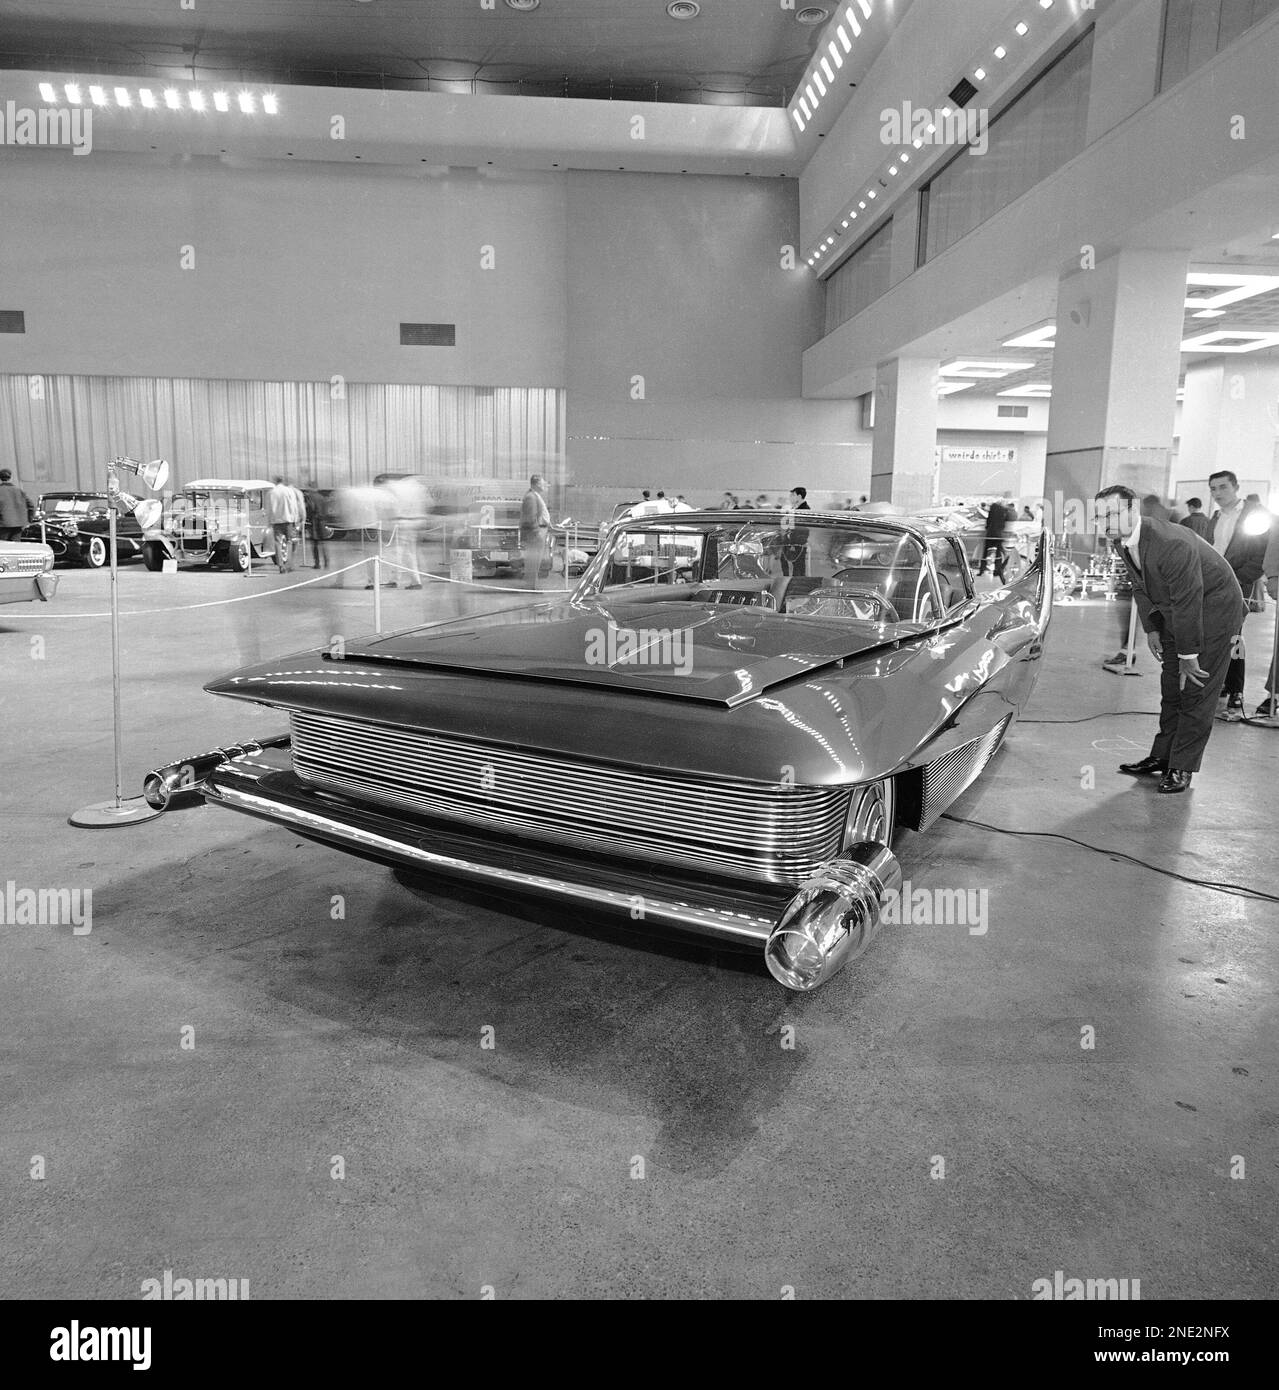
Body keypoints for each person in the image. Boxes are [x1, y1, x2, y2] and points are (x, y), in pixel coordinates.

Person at [1097, 484, 1245, 793]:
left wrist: (1188, 654)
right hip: (1177, 609)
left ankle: (1182, 766)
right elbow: (1140, 585)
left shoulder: (1170, 542)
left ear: (1132, 510)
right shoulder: (1122, 540)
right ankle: (1162, 756)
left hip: (1214, 610)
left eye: (1111, 513)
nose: (1104, 521)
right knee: (1171, 686)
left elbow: (1189, 599)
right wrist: (1152, 628)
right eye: (1099, 515)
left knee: (1195, 688)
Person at [1207, 470, 1267, 719]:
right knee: (1214, 635)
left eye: (1223, 487)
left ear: (1236, 487)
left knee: (1234, 636)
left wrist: (1240, 578)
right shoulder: (1216, 516)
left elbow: (1260, 554)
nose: (1218, 493)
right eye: (1213, 489)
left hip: (1238, 585)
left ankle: (1236, 690)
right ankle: (1219, 684)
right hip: (1213, 583)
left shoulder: (1255, 515)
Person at [520, 473, 552, 591]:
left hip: (538, 531)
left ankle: (532, 585)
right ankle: (531, 587)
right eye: (543, 483)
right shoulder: (531, 497)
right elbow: (530, 517)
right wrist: (536, 532)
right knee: (534, 560)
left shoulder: (535, 496)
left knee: (536, 561)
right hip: (535, 533)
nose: (545, 485)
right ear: (537, 483)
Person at [265, 475, 302, 573]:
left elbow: (268, 508)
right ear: (283, 481)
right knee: (289, 541)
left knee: (277, 543)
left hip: (276, 521)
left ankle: (280, 565)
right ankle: (289, 564)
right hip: (288, 520)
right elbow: (293, 506)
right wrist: (296, 519)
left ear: (275, 481)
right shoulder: (289, 491)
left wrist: (269, 521)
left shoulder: (271, 492)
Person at [980, 496, 1011, 581]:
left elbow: (989, 520)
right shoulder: (1004, 511)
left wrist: (987, 527)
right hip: (999, 534)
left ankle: (982, 569)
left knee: (986, 552)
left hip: (990, 533)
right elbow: (1004, 523)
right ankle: (997, 570)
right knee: (998, 553)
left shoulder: (993, 508)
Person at [303, 478, 329, 570]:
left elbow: (310, 509)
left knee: (315, 545)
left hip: (314, 523)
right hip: (322, 522)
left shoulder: (310, 497)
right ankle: (326, 562)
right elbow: (325, 510)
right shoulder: (322, 497)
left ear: (310, 487)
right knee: (323, 544)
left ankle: (317, 563)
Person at [0, 469, 32, 540]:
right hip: (18, 525)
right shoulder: (19, 490)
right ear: (10, 477)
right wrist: (29, 520)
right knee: (16, 547)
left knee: (3, 548)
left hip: (3, 525)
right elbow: (31, 506)